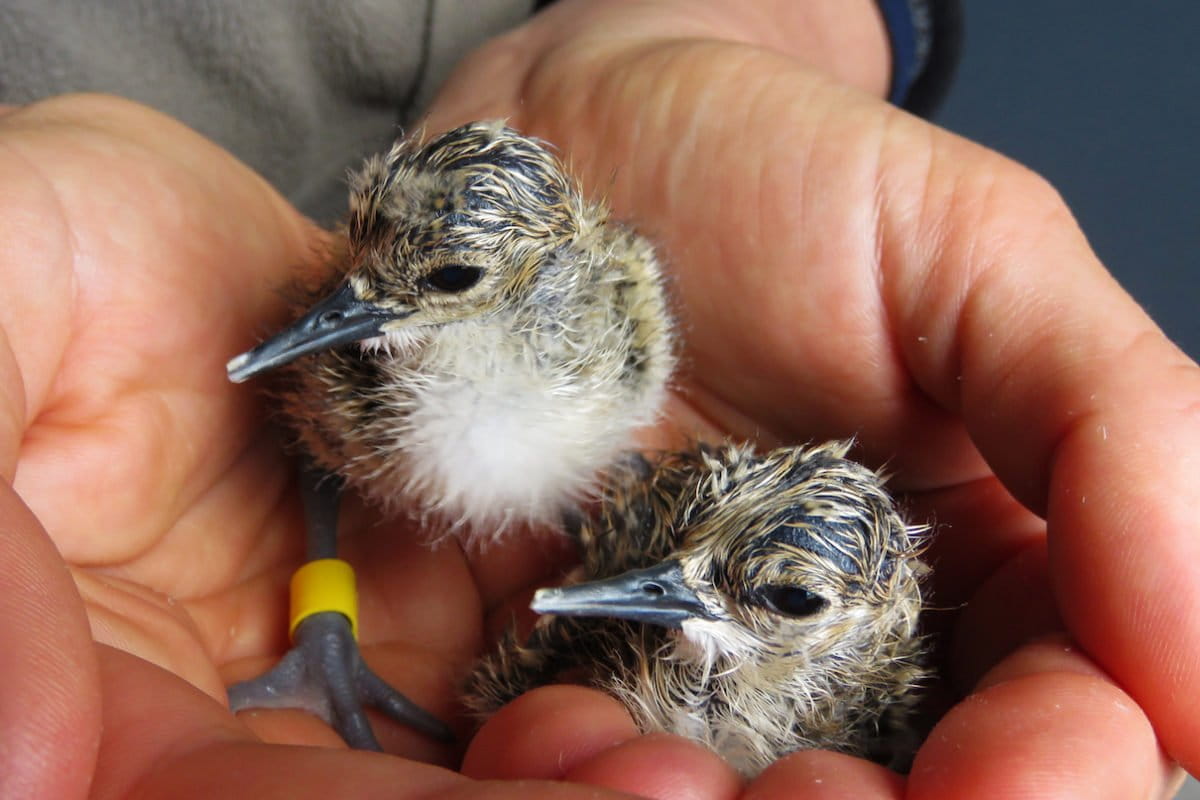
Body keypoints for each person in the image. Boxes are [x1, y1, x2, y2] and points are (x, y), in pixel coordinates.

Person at [0, 1, 1193, 797]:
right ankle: (328, 621)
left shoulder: (620, 350)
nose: (341, 308)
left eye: (445, 283)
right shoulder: (359, 355)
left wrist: (691, 22)